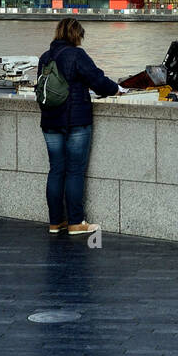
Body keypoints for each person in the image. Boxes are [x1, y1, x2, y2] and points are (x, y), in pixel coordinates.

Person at [39, 17, 120, 236]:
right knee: (74, 171)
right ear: (77, 35)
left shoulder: (45, 57)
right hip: (75, 120)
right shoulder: (77, 55)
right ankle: (75, 222)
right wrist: (116, 90)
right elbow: (97, 80)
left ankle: (55, 222)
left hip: (50, 121)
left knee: (56, 170)